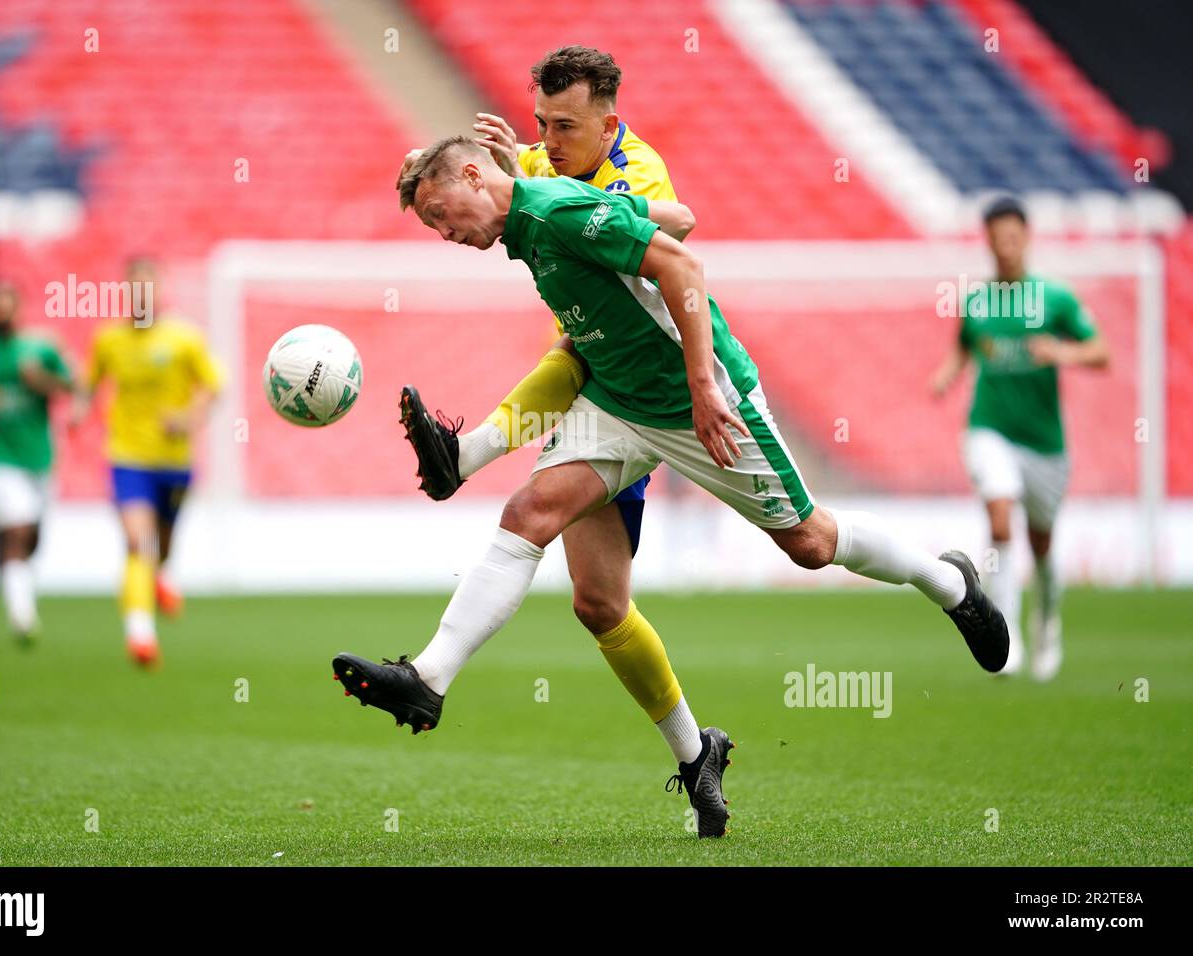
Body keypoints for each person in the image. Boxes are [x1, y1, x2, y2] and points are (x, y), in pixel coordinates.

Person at [333, 138, 1010, 838]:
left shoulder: (560, 213)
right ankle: (430, 678)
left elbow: (681, 258)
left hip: (699, 404)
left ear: (474, 175)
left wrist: (699, 385)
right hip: (619, 408)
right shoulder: (526, 226)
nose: (446, 234)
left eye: (442, 215)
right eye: (434, 228)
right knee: (531, 515)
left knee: (809, 542)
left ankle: (947, 581)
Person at [397, 46, 721, 806]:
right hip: (600, 385)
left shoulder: (636, 165)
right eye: (540, 123)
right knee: (599, 603)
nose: (547, 138)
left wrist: (533, 181)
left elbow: (677, 224)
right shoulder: (546, 163)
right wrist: (510, 175)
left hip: (642, 380)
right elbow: (504, 193)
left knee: (807, 540)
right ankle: (698, 752)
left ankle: (465, 455)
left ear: (609, 118)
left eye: (563, 125)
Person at [931, 196, 1109, 680]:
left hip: (1045, 442)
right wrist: (945, 377)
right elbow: (964, 349)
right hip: (989, 429)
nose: (1005, 245)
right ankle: (1003, 639)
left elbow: (1101, 352)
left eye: (1013, 235)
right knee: (1001, 517)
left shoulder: (1055, 299)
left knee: (1042, 542)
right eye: (996, 236)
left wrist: (1061, 352)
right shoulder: (977, 301)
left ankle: (1047, 619)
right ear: (987, 241)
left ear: (1026, 238)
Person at [73, 258, 223, 666]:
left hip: (174, 459)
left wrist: (188, 417)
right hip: (127, 457)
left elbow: (212, 387)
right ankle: (140, 632)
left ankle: (158, 578)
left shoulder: (184, 339)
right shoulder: (108, 340)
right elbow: (88, 386)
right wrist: (78, 409)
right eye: (134, 287)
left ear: (159, 291)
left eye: (148, 287)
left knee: (164, 547)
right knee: (138, 542)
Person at [0, 281, 76, 644]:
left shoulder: (39, 349)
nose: (0, 312)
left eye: (6, 304)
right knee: (18, 530)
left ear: (18, 307)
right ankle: (21, 614)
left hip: (40, 457)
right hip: (1, 456)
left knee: (34, 538)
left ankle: (11, 577)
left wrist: (39, 380)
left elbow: (70, 385)